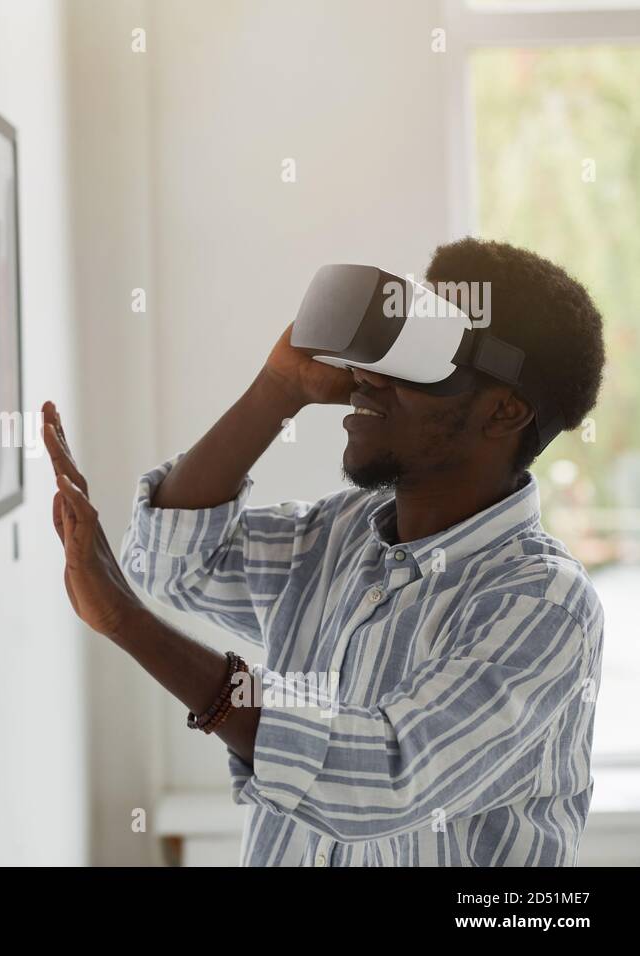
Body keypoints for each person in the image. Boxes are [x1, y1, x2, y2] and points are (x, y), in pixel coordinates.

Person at [45, 238, 605, 866]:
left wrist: (127, 623)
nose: (369, 375)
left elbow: (380, 777)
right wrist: (278, 388)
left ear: (503, 411)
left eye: (426, 356)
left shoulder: (542, 602)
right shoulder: (338, 536)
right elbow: (173, 563)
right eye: (396, 340)